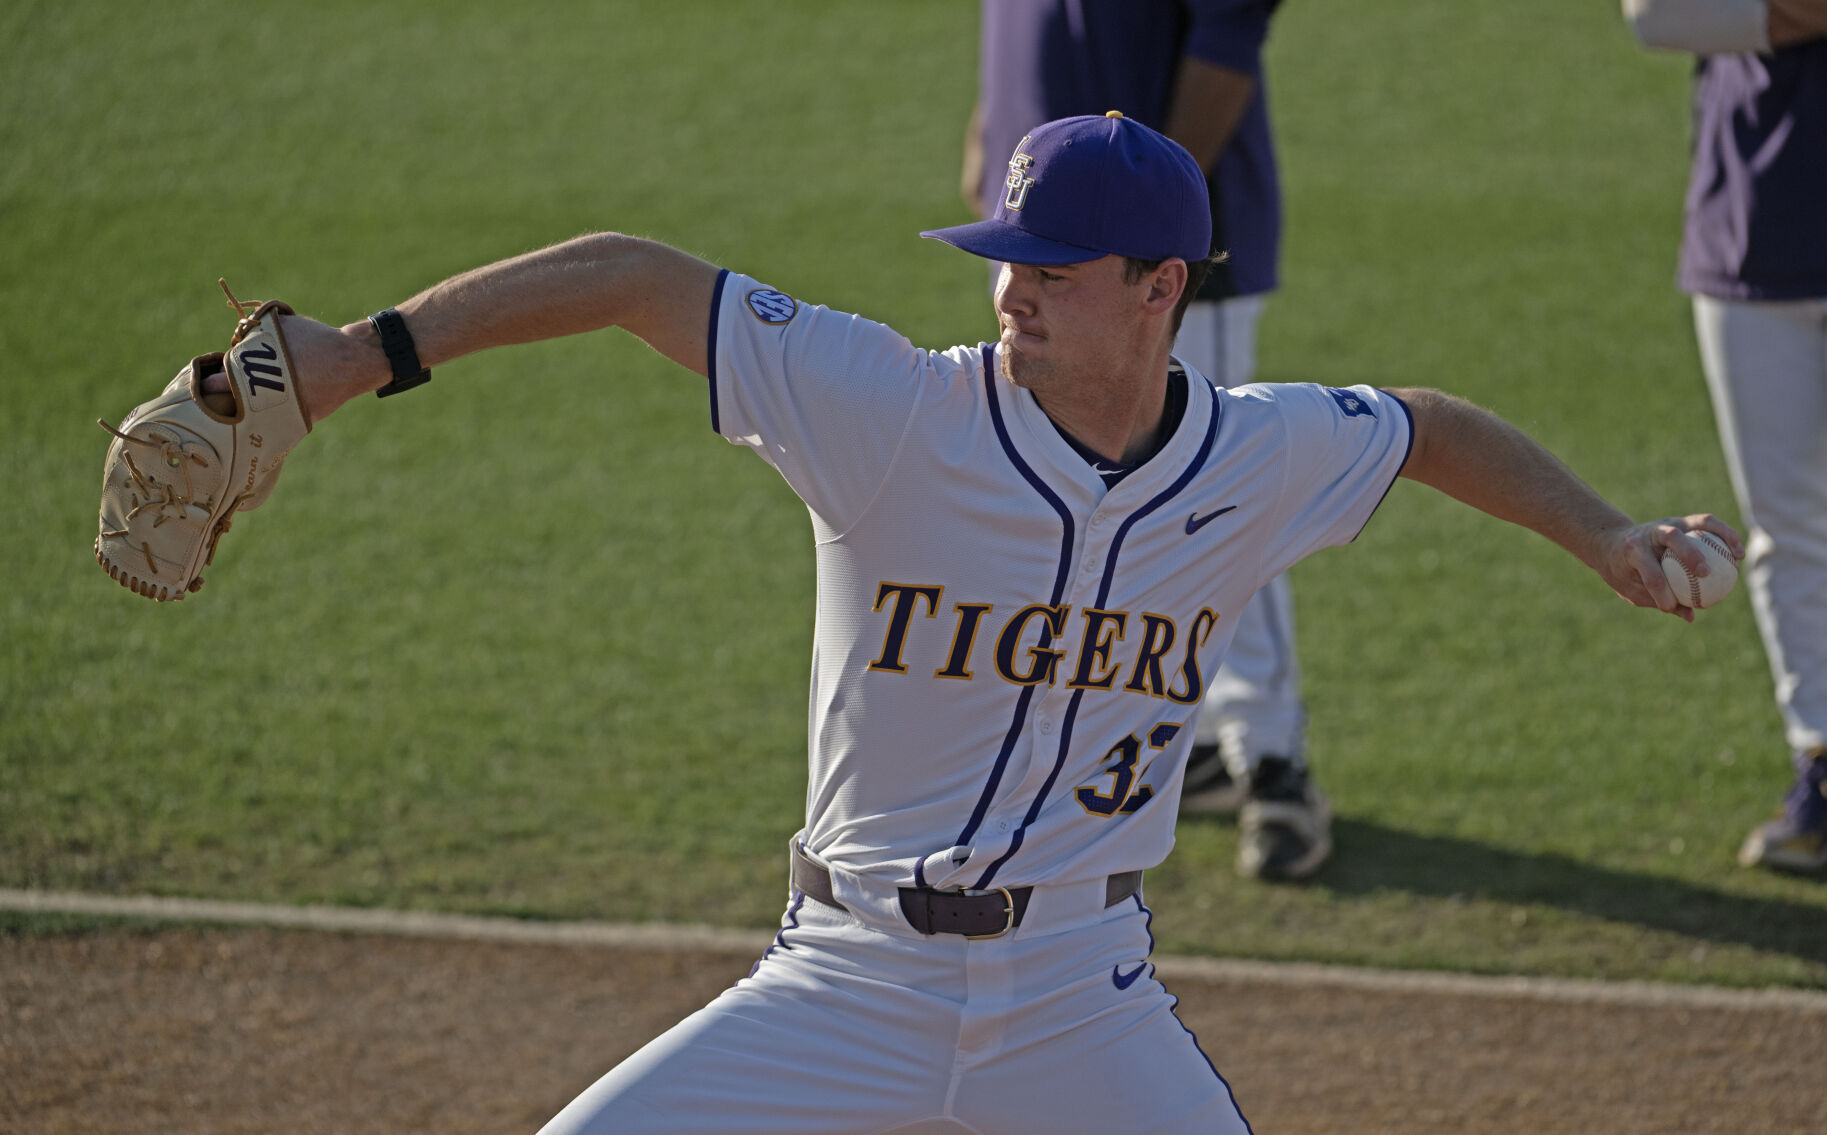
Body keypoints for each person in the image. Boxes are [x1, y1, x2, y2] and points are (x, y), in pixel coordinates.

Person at [229, 113, 1737, 1134]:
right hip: (844, 976)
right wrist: (358, 358)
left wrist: (1603, 535)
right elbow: (631, 276)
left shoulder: (1252, 453)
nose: (1009, 291)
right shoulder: (889, 408)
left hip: (1082, 999)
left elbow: (1419, 427)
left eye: (1051, 267)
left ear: (1159, 291)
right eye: (1004, 256)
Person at [962, 0, 1323, 881]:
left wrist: (1144, 235)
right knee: (1057, 498)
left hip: (1153, 268)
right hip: (1039, 242)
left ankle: (1268, 754)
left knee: (1218, 494)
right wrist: (987, 148)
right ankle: (1154, 745)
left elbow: (1224, 47)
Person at [1622, 0, 1827, 872]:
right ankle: (1818, 765)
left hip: (1756, 221)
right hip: (1755, 223)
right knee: (1787, 525)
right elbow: (1657, 13)